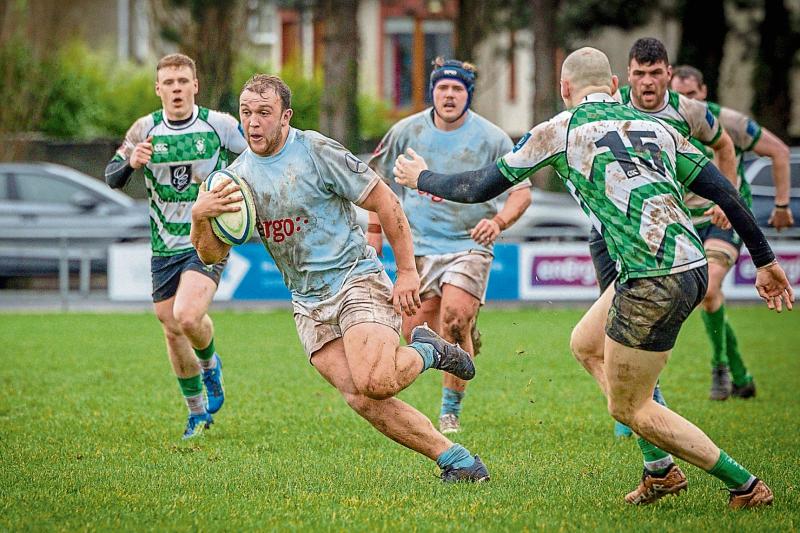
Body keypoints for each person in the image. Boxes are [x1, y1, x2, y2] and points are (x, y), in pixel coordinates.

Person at [393, 47, 793, 508]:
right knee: (585, 344)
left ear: (565, 89)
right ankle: (660, 472)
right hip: (686, 264)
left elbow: (481, 187)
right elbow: (727, 191)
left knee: (630, 407)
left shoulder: (558, 131)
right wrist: (764, 261)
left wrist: (422, 177)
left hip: (652, 280)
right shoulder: (656, 127)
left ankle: (744, 485)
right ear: (614, 87)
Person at [191, 73, 490, 482]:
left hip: (355, 279)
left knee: (376, 379)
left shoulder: (315, 151)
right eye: (246, 113)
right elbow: (210, 253)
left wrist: (406, 273)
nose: (253, 122)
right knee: (361, 397)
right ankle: (456, 460)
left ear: (285, 117)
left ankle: (429, 352)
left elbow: (385, 201)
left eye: (264, 112)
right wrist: (200, 214)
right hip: (307, 302)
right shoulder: (236, 179)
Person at [368, 57, 532, 434]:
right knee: (414, 334)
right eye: (443, 87)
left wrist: (498, 221)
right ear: (432, 92)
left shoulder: (492, 138)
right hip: (419, 247)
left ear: (468, 95)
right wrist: (375, 234)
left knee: (454, 318)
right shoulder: (405, 132)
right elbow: (376, 185)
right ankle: (468, 334)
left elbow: (522, 193)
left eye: (458, 89)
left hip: (468, 243)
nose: (449, 94)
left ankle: (450, 412)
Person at [104, 53, 248, 439]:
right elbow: (112, 177)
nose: (177, 89)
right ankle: (197, 412)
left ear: (195, 85)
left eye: (183, 81)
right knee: (171, 327)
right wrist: (131, 162)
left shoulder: (219, 125)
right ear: (158, 89)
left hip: (207, 237)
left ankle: (210, 367)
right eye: (168, 83)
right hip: (163, 245)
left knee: (187, 315)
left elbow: (258, 155)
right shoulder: (144, 129)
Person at [670, 64, 795, 399]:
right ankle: (741, 375)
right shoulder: (660, 122)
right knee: (706, 299)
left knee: (709, 291)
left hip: (724, 219)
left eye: (692, 96)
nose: (686, 103)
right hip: (683, 220)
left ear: (704, 93)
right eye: (679, 96)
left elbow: (779, 151)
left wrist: (782, 205)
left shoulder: (727, 122)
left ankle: (720, 367)